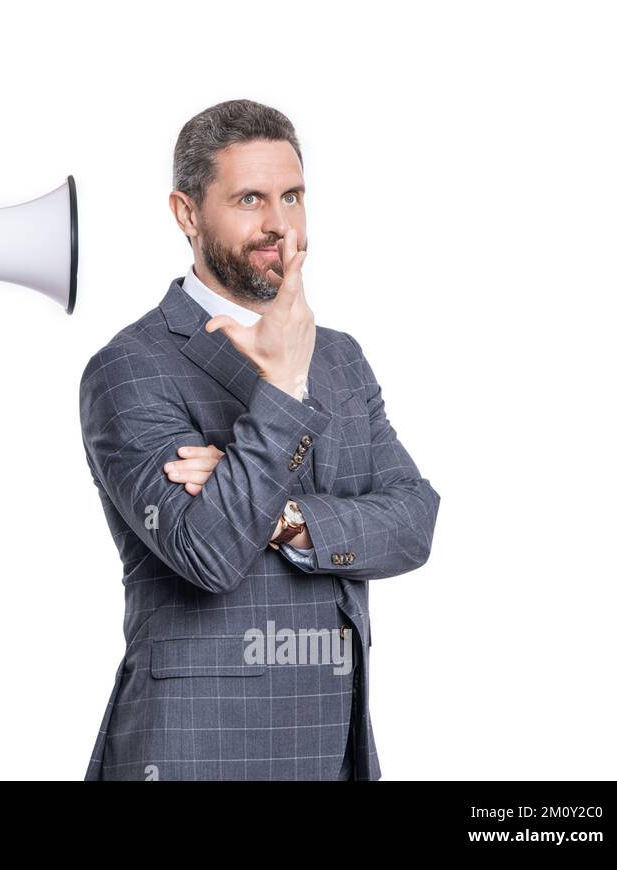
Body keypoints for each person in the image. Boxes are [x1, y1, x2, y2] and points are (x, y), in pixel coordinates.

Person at [80, 99, 438, 780]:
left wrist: (284, 520)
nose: (280, 224)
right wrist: (281, 389)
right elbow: (209, 551)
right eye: (250, 198)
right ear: (187, 214)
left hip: (333, 748)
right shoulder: (129, 366)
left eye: (293, 196)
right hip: (195, 752)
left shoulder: (339, 358)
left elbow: (415, 521)